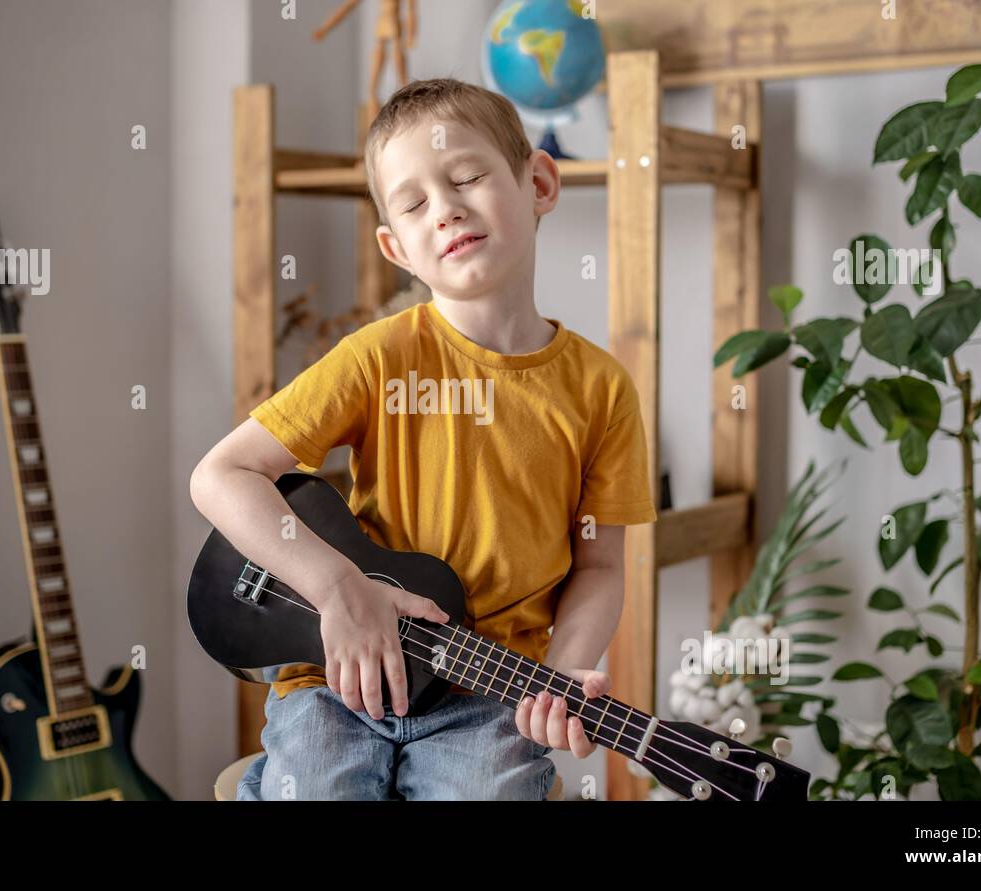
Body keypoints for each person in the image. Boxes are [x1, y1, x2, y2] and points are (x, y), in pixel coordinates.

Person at [190, 78, 656, 800]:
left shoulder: (602, 389)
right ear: (396, 247)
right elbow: (221, 475)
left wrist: (560, 675)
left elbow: (600, 566)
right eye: (414, 203)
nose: (446, 209)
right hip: (341, 675)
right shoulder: (378, 357)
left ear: (538, 181)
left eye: (468, 176)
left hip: (491, 687)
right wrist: (340, 587)